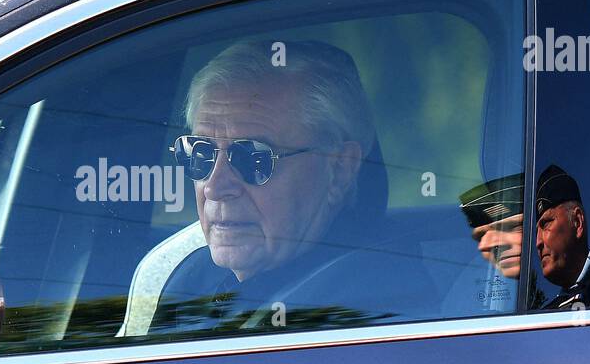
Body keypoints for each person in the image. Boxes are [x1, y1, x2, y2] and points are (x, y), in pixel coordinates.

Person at [150, 38, 431, 333]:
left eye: (253, 158)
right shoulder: (193, 277)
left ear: (339, 169)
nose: (214, 187)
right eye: (200, 154)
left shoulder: (371, 308)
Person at [533, 165, 590, 309]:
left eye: (546, 224)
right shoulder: (544, 317)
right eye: (536, 231)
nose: (538, 242)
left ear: (577, 222)